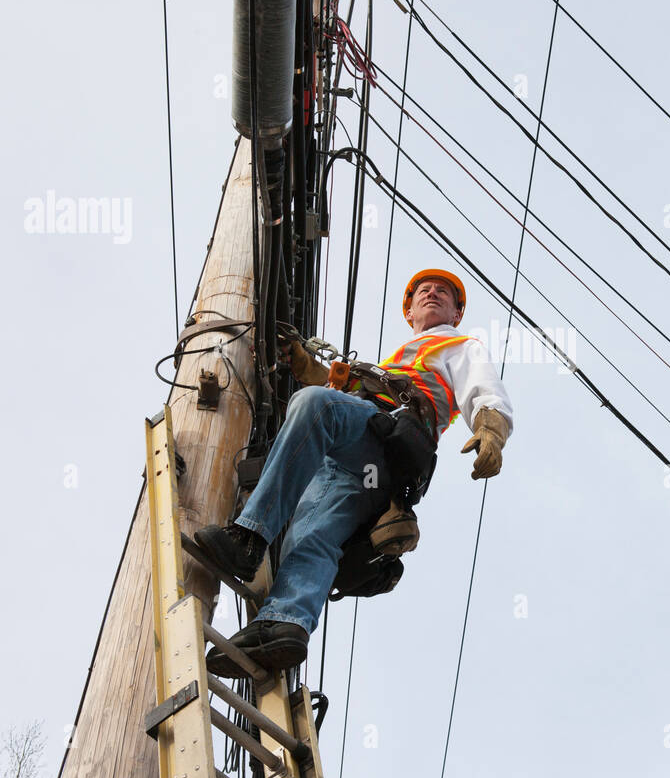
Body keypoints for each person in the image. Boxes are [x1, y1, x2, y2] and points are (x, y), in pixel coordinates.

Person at [197, 269, 513, 677]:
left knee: (314, 405)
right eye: (424, 291)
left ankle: (249, 537)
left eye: (444, 293)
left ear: (456, 312)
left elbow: (484, 388)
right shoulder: (392, 361)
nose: (433, 294)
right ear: (410, 310)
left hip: (387, 436)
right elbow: (342, 391)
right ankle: (283, 624)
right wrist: (302, 361)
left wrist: (490, 429)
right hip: (366, 466)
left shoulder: (459, 346)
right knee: (313, 532)